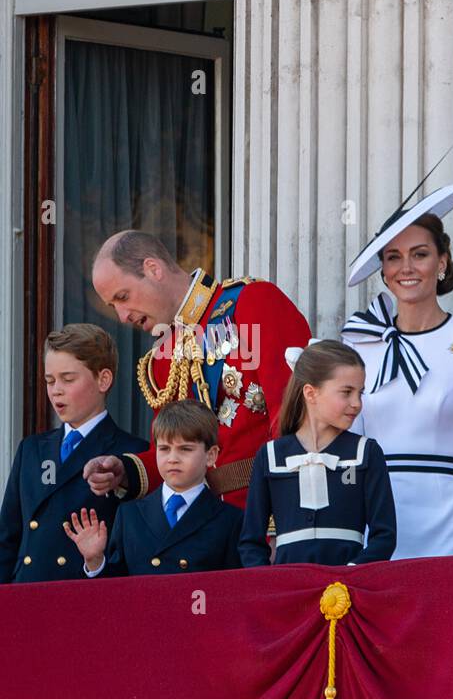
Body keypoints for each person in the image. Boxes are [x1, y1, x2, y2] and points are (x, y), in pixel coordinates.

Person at [83, 231, 311, 508]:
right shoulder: (160, 359)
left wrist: (281, 520)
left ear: (153, 269)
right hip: (200, 526)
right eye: (113, 306)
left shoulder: (251, 302)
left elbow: (295, 415)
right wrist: (125, 471)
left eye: (123, 296)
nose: (122, 316)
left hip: (263, 515)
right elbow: (169, 456)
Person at [341, 182, 453, 558]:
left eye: (420, 254)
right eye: (394, 257)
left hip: (447, 531)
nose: (406, 268)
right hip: (373, 530)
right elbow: (346, 450)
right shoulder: (359, 343)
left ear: (442, 261)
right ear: (382, 269)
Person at [0, 324, 148, 584]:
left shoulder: (132, 456)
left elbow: (130, 551)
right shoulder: (31, 449)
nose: (56, 389)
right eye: (50, 380)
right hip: (23, 598)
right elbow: (7, 539)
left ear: (103, 379)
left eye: (68, 379)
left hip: (80, 600)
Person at [240, 341, 397, 567]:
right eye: (346, 392)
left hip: (348, 589)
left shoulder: (366, 452)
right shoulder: (271, 455)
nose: (357, 403)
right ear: (311, 393)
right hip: (288, 588)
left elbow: (384, 536)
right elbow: (251, 541)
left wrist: (352, 574)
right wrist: (268, 583)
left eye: (360, 393)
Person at [66, 401, 242, 577]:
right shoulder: (129, 515)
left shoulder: (231, 520)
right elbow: (115, 591)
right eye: (164, 449)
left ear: (211, 456)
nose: (172, 458)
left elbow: (233, 593)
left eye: (185, 449)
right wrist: (95, 561)